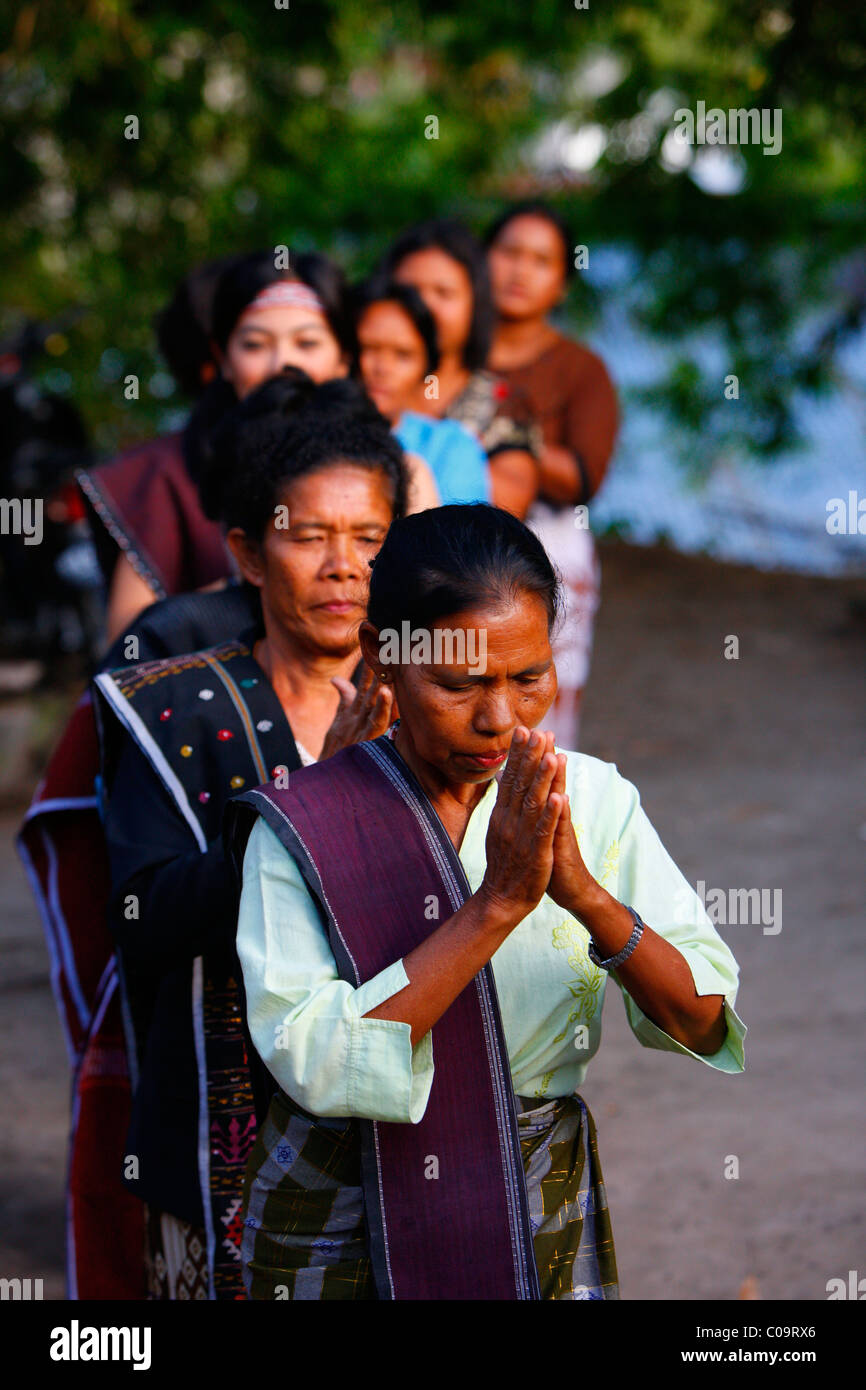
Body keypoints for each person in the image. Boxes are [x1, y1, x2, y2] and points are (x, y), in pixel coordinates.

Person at [228, 504, 746, 1302]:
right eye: (460, 684)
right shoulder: (304, 824)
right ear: (384, 656)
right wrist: (497, 906)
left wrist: (582, 895)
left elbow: (704, 1018)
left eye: (530, 679)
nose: (500, 719)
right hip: (346, 1203)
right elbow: (320, 1065)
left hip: (531, 1189)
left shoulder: (594, 801)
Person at [93, 373, 410, 1299]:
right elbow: (141, 915)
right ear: (248, 552)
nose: (343, 566)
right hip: (218, 1127)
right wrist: (321, 802)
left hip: (404, 1124)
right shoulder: (174, 708)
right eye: (308, 536)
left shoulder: (435, 705)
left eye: (370, 540)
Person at [78, 249, 355, 642]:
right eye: (255, 345)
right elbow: (130, 643)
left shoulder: (399, 468)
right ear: (223, 358)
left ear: (343, 357)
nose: (282, 364)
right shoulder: (169, 471)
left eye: (306, 343)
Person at [485, 201, 620, 745]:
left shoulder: (581, 368)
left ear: (562, 283)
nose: (520, 270)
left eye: (541, 260)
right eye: (509, 252)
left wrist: (504, 433)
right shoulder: (445, 351)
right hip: (444, 535)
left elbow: (583, 478)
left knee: (539, 723)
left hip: (547, 545)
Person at [381, 219, 541, 520]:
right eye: (411, 290)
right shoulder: (356, 386)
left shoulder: (503, 402)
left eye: (443, 293)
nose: (425, 306)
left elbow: (500, 514)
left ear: (475, 305)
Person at [354, 277, 490, 505]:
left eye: (403, 355)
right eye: (369, 348)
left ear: (426, 368)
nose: (382, 368)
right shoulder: (310, 435)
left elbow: (463, 539)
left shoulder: (451, 445)